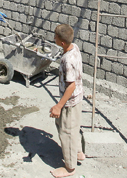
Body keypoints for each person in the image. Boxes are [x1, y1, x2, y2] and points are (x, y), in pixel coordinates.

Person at [49, 24, 85, 178]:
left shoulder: (67, 60)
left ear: (62, 43)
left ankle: (70, 168)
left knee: (66, 131)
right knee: (73, 126)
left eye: (55, 37)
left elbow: (71, 86)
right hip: (78, 97)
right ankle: (78, 152)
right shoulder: (74, 47)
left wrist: (59, 105)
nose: (54, 38)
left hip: (69, 101)